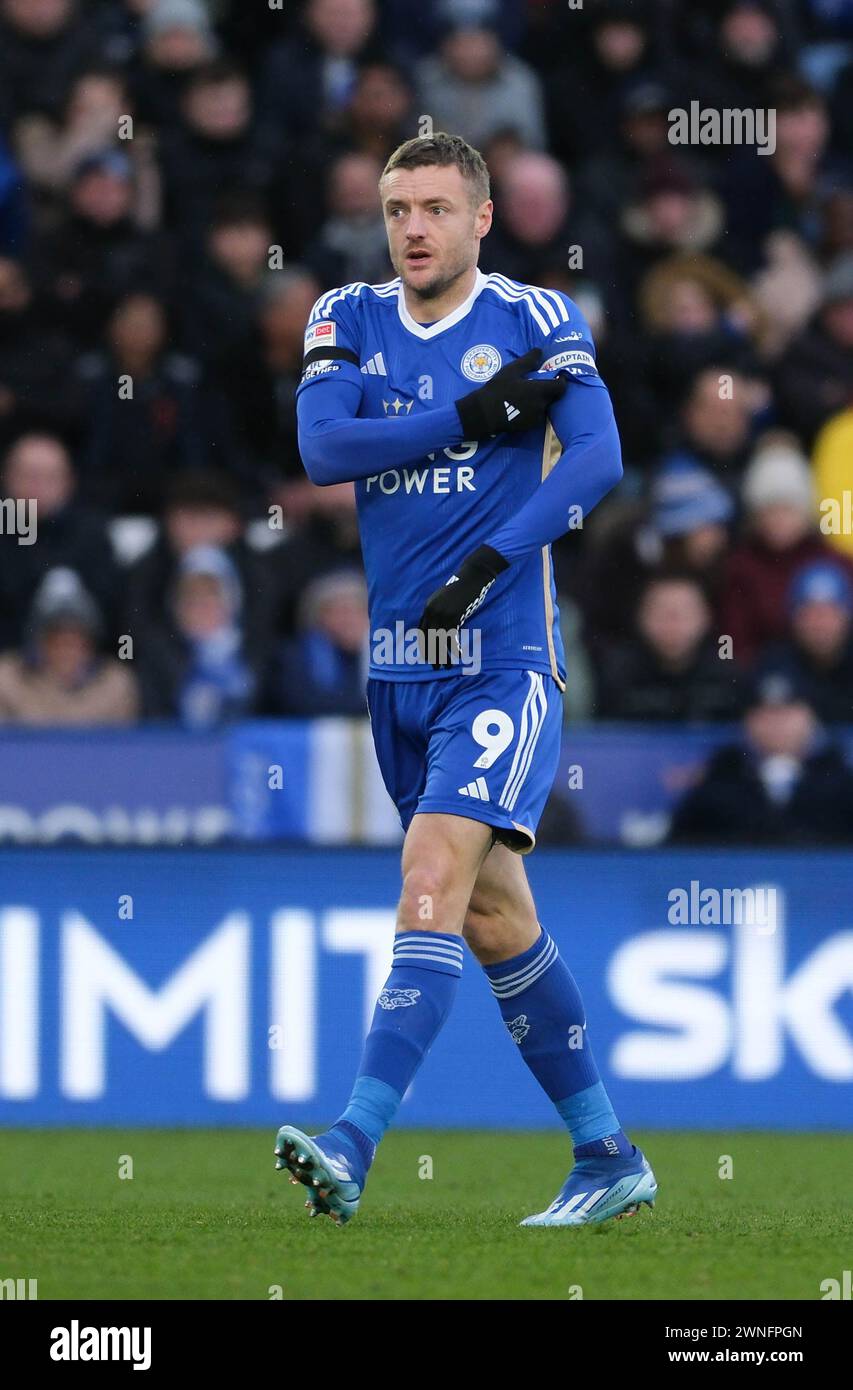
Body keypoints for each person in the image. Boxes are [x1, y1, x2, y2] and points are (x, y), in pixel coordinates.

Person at [275, 131, 657, 1229]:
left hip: (502, 660)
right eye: (397, 208)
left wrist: (489, 564)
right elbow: (324, 450)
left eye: (435, 208)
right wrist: (473, 419)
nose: (413, 229)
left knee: (430, 877)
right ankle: (606, 1155)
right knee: (491, 919)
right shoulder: (346, 315)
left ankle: (351, 1140)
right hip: (399, 670)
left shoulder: (536, 318)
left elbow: (597, 458)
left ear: (482, 218)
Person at [668, 667, 853, 845]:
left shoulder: (840, 779)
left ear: (810, 717)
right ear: (747, 720)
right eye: (765, 712)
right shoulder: (720, 777)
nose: (776, 724)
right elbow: (678, 846)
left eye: (787, 712)